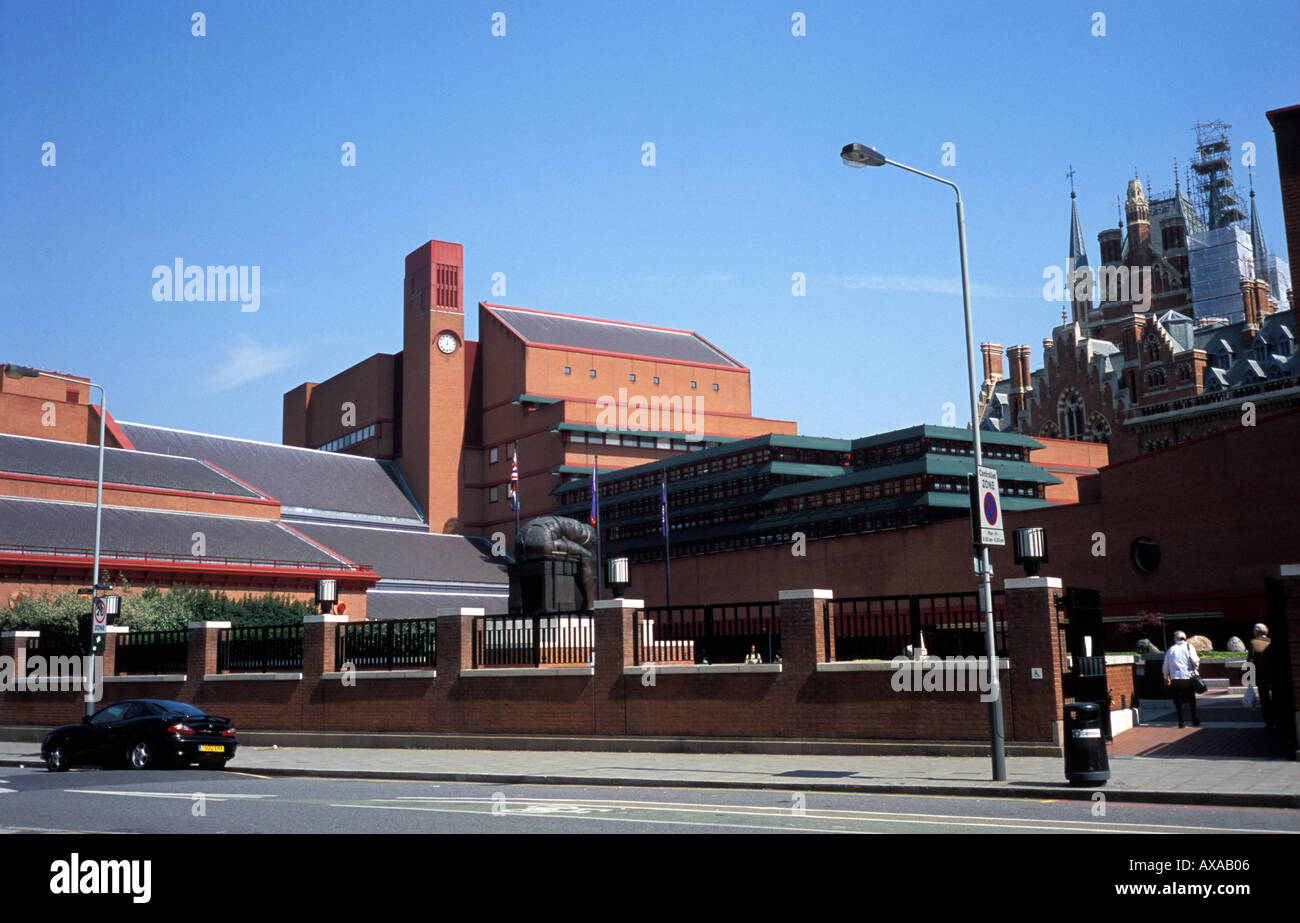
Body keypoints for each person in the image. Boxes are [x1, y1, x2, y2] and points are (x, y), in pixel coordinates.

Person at [1162, 630, 1201, 728]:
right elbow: (1195, 661)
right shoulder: (1189, 647)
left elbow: (1165, 665)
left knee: (1178, 701)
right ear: (1185, 637)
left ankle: (1181, 722)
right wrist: (1195, 668)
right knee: (1192, 699)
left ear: (1175, 638)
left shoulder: (1171, 650)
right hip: (1189, 677)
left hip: (1176, 678)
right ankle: (1194, 719)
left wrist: (1165, 676)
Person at [1247, 623, 1272, 728]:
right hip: (1274, 676)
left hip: (1261, 677)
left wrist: (1249, 678)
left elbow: (1250, 662)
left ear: (1257, 632)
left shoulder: (1254, 643)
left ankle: (1269, 722)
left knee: (1265, 700)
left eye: (1254, 631)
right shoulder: (1271, 641)